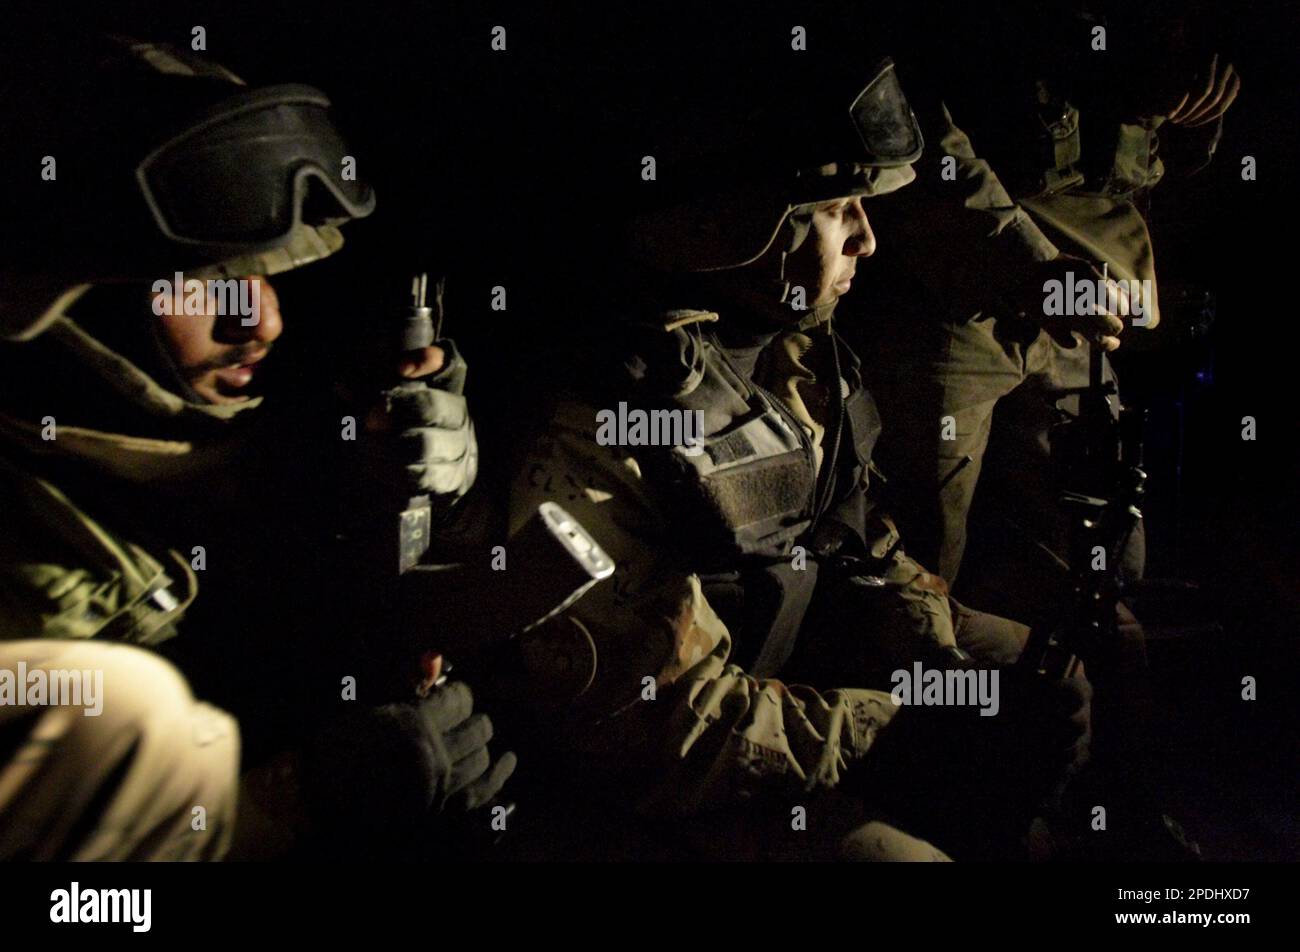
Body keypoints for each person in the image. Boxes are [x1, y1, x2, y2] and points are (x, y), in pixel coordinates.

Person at [494, 55, 1088, 861]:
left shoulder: (790, 349)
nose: (868, 239)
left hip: (779, 680)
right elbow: (666, 732)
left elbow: (857, 547)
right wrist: (900, 730)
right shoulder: (603, 417)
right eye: (837, 209)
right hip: (646, 783)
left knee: (1047, 683)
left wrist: (942, 661)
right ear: (733, 222)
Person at [0, 36, 512, 860]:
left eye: (260, 274)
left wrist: (435, 500)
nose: (259, 321)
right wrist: (279, 807)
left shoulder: (263, 441)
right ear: (66, 309)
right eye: (197, 281)